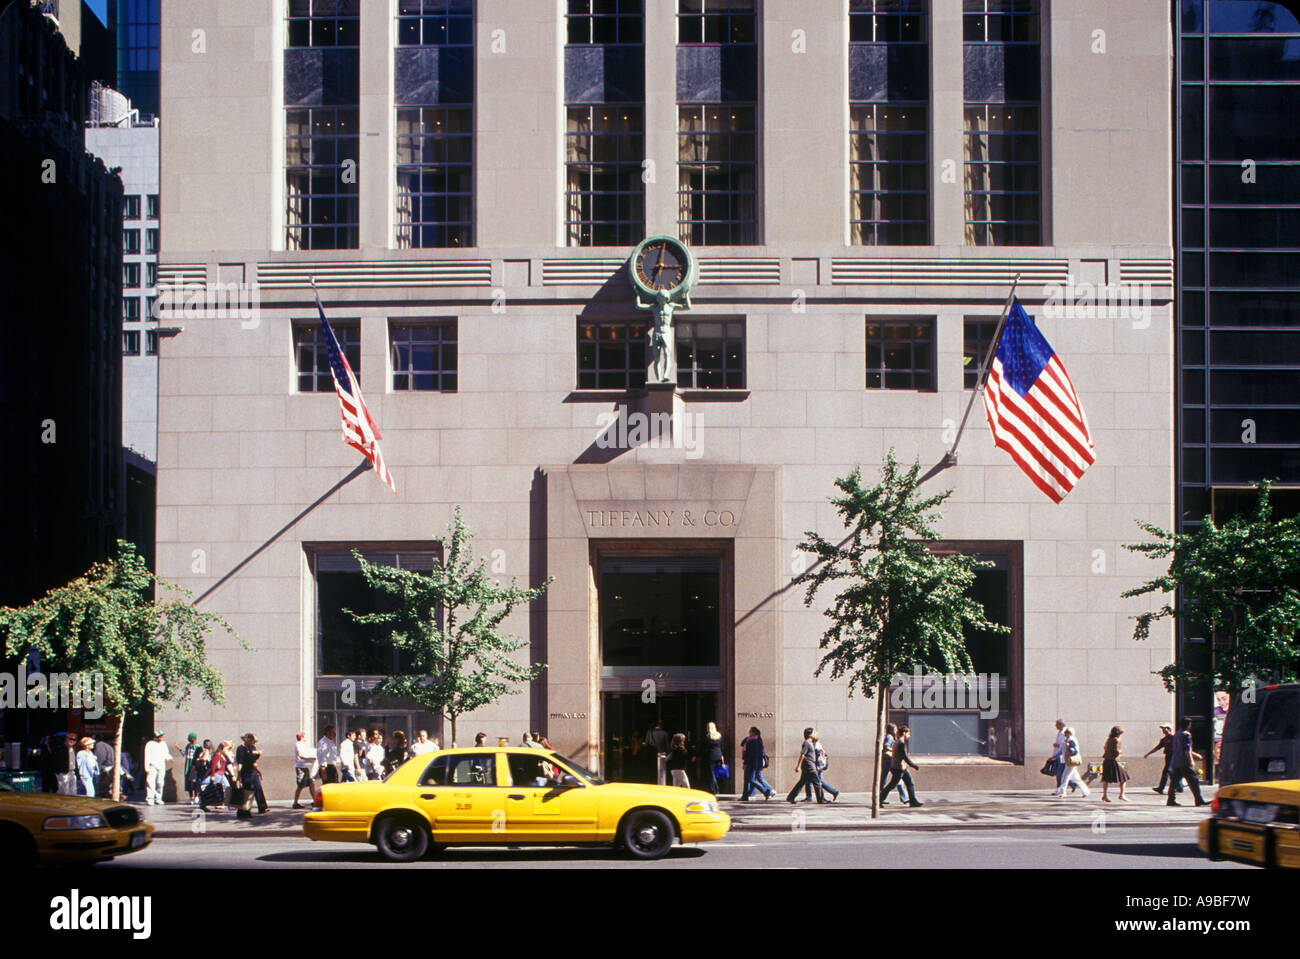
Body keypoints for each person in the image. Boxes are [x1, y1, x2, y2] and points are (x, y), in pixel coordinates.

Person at [1166, 718, 1209, 807]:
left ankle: (1171, 799)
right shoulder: (1186, 734)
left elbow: (1179, 748)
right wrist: (1191, 760)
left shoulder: (1177, 734)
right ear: (1188, 725)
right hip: (1184, 762)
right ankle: (1199, 799)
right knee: (1194, 781)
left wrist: (1194, 754)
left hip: (1176, 761)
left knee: (1174, 782)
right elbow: (1187, 749)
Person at [882, 725, 923, 807]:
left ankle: (913, 801)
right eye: (908, 734)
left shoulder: (898, 741)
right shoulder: (901, 743)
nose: (909, 736)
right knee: (892, 785)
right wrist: (913, 765)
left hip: (900, 767)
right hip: (899, 767)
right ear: (904, 733)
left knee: (909, 783)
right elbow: (905, 756)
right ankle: (879, 799)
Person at [786, 727, 826, 804]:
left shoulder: (810, 743)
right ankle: (821, 800)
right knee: (817, 782)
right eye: (813, 732)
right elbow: (802, 755)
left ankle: (791, 797)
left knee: (802, 782)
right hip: (809, 766)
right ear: (810, 734)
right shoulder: (807, 743)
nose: (815, 734)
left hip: (809, 765)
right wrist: (798, 766)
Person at [235, 732, 268, 815]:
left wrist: (258, 771)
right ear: (248, 740)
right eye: (253, 741)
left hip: (253, 771)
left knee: (258, 788)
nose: (254, 743)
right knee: (247, 791)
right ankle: (243, 811)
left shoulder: (252, 747)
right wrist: (238, 775)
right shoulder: (240, 749)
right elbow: (240, 763)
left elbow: (253, 760)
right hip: (245, 772)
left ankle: (262, 807)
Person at [1144, 723, 1181, 795]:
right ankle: (1179, 787)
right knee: (1171, 772)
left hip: (1173, 756)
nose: (1163, 730)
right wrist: (1148, 754)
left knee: (1166, 771)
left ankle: (1161, 788)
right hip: (1168, 756)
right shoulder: (1163, 740)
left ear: (1169, 729)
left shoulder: (1173, 738)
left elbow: (1179, 747)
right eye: (1162, 729)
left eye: (1164, 728)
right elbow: (1157, 748)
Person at [739, 727, 774, 801]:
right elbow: (760, 754)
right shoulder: (757, 741)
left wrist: (745, 763)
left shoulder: (751, 741)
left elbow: (749, 754)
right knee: (748, 779)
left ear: (754, 732)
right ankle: (745, 796)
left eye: (750, 731)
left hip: (751, 763)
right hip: (755, 763)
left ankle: (765, 791)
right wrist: (760, 765)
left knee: (750, 779)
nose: (749, 732)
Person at [1054, 726, 1090, 798]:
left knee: (1065, 776)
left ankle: (1062, 792)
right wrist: (1054, 757)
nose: (1065, 734)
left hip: (1071, 761)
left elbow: (1075, 751)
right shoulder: (1065, 740)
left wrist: (1069, 747)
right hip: (1067, 761)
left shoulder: (1072, 740)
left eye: (1066, 732)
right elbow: (1061, 751)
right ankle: (1085, 791)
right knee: (1076, 778)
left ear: (1069, 733)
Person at [804, 731, 839, 802]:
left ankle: (832, 792)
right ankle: (812, 797)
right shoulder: (815, 744)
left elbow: (819, 755)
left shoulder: (816, 745)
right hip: (816, 765)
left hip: (816, 766)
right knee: (814, 781)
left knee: (818, 781)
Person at [879, 723, 909, 805]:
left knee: (884, 780)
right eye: (895, 729)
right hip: (889, 760)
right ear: (891, 730)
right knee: (897, 780)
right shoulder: (889, 737)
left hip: (886, 760)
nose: (896, 731)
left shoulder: (889, 736)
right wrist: (894, 750)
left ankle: (881, 797)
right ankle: (904, 797)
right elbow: (886, 746)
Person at [1101, 726, 1130, 802]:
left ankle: (1104, 795)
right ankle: (1122, 795)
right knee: (1123, 777)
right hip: (1114, 761)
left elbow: (1105, 747)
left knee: (1106, 778)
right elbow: (1117, 751)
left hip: (1106, 760)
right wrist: (1120, 752)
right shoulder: (1117, 740)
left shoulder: (1108, 739)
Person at [143, 731, 173, 805]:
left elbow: (166, 753)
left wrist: (169, 758)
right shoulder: (149, 744)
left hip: (161, 765)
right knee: (150, 782)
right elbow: (147, 756)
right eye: (160, 736)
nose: (161, 738)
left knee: (160, 783)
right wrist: (146, 768)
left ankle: (158, 798)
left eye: (162, 736)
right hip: (152, 766)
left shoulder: (163, 744)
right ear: (156, 737)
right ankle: (150, 799)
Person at [293, 732, 317, 809]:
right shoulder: (298, 744)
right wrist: (311, 758)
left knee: (311, 783)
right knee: (300, 785)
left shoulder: (302, 745)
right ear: (302, 737)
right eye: (304, 736)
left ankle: (315, 801)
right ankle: (295, 803)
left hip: (305, 767)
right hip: (300, 768)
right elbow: (301, 755)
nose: (305, 737)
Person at [207, 741, 232, 808]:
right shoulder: (217, 754)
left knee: (227, 787)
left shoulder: (222, 754)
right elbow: (213, 765)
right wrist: (212, 775)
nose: (227, 749)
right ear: (222, 748)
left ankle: (225, 804)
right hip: (217, 774)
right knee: (217, 789)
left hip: (222, 774)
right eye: (226, 748)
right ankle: (218, 803)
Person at [702, 721, 725, 795]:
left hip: (710, 757)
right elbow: (722, 747)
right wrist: (721, 755)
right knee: (717, 774)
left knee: (711, 774)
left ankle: (714, 789)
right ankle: (718, 788)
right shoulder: (719, 736)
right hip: (718, 756)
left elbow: (705, 747)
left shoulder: (708, 736)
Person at [645, 720, 671, 786]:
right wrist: (669, 754)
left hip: (652, 754)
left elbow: (646, 744)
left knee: (651, 768)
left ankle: (651, 781)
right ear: (661, 725)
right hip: (661, 754)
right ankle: (659, 781)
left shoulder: (649, 732)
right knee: (661, 769)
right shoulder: (665, 733)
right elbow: (667, 745)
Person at [178, 733, 201, 805]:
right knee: (188, 781)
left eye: (189, 738)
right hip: (188, 766)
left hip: (194, 766)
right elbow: (183, 753)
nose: (188, 739)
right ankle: (191, 797)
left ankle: (197, 796)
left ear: (193, 738)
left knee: (195, 781)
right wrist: (178, 747)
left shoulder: (198, 747)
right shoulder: (188, 746)